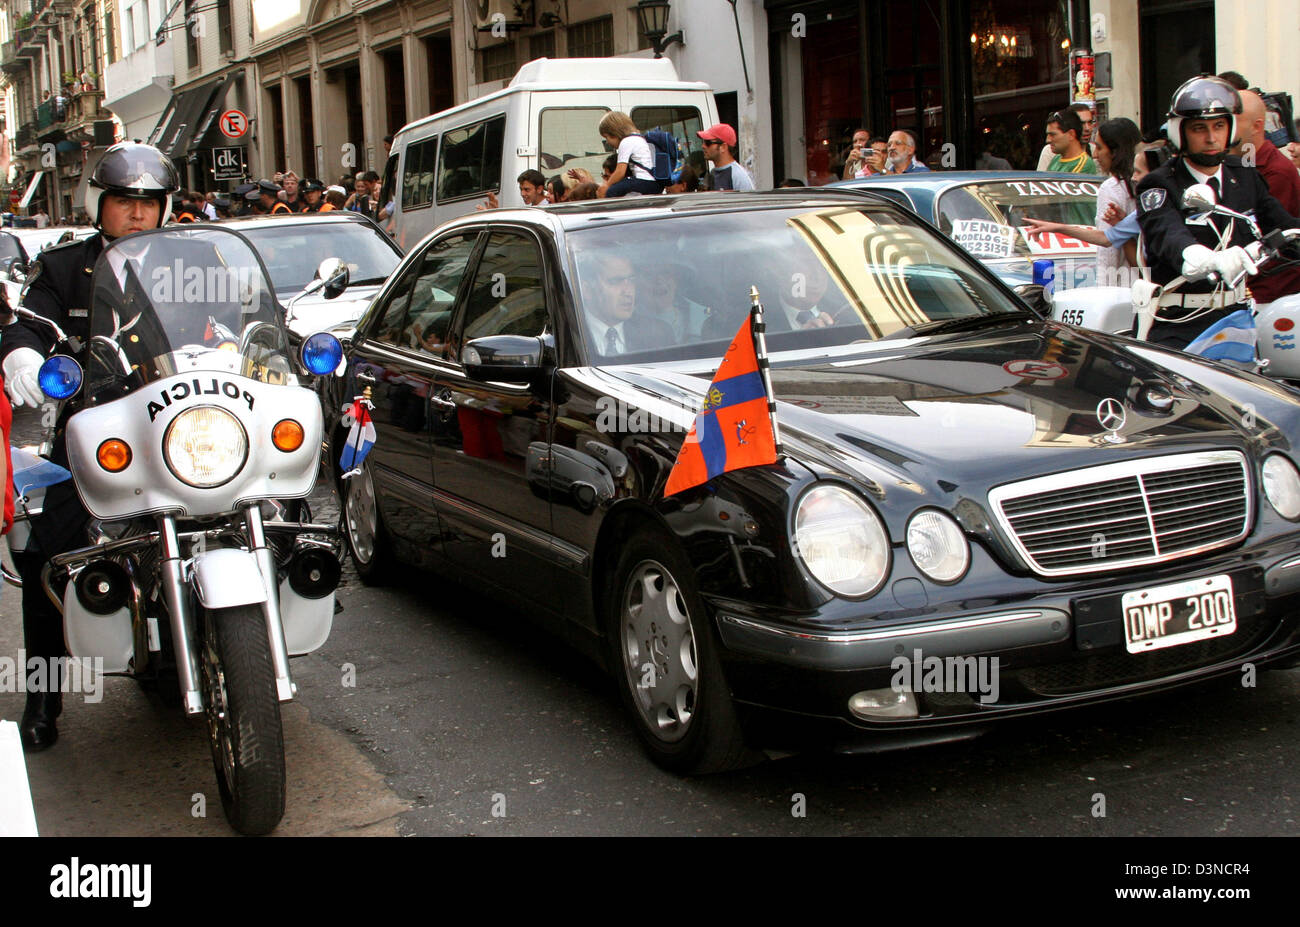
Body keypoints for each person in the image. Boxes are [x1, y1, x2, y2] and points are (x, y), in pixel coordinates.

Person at [1, 142, 180, 751]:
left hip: (177, 427)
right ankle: (44, 698)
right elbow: (28, 321)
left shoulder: (195, 259)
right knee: (46, 555)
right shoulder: (61, 268)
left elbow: (234, 321)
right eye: (124, 201)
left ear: (164, 207)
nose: (136, 214)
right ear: (99, 205)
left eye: (148, 202)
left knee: (245, 508)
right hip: (94, 432)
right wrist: (23, 352)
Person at [1136, 75, 1300, 348]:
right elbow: (1168, 235)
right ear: (1181, 132)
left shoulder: (1245, 175)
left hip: (1236, 317)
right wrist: (1207, 259)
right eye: (1200, 128)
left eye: (1219, 126)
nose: (1211, 138)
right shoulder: (1160, 184)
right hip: (1180, 320)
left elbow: (1282, 226)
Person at [1235, 89, 1300, 306]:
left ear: (1257, 125)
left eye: (1234, 118)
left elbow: (1271, 236)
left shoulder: (1276, 171)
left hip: (1270, 293)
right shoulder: (1243, 161)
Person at [582, 255, 673, 354]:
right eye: (615, 281)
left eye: (631, 280)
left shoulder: (658, 334)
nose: (629, 292)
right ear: (587, 290)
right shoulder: (567, 336)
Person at [1091, 117, 1143, 282]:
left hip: (1124, 288)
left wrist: (1103, 292)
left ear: (1114, 151)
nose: (1095, 155)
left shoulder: (1112, 188)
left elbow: (1108, 254)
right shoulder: (1149, 185)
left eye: (1099, 148)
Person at [597, 112, 663, 198]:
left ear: (614, 132)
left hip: (643, 181)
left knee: (611, 192)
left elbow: (620, 172)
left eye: (606, 137)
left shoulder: (626, 142)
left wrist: (606, 187)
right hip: (654, 182)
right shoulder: (638, 138)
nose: (607, 142)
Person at [1037, 102, 1095, 170]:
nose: (1087, 128)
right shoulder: (1052, 153)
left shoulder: (1094, 151)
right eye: (1081, 123)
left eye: (1090, 122)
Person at [697, 123, 755, 191]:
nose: (703, 146)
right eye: (703, 142)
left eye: (708, 142)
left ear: (723, 147)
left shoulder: (739, 176)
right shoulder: (713, 173)